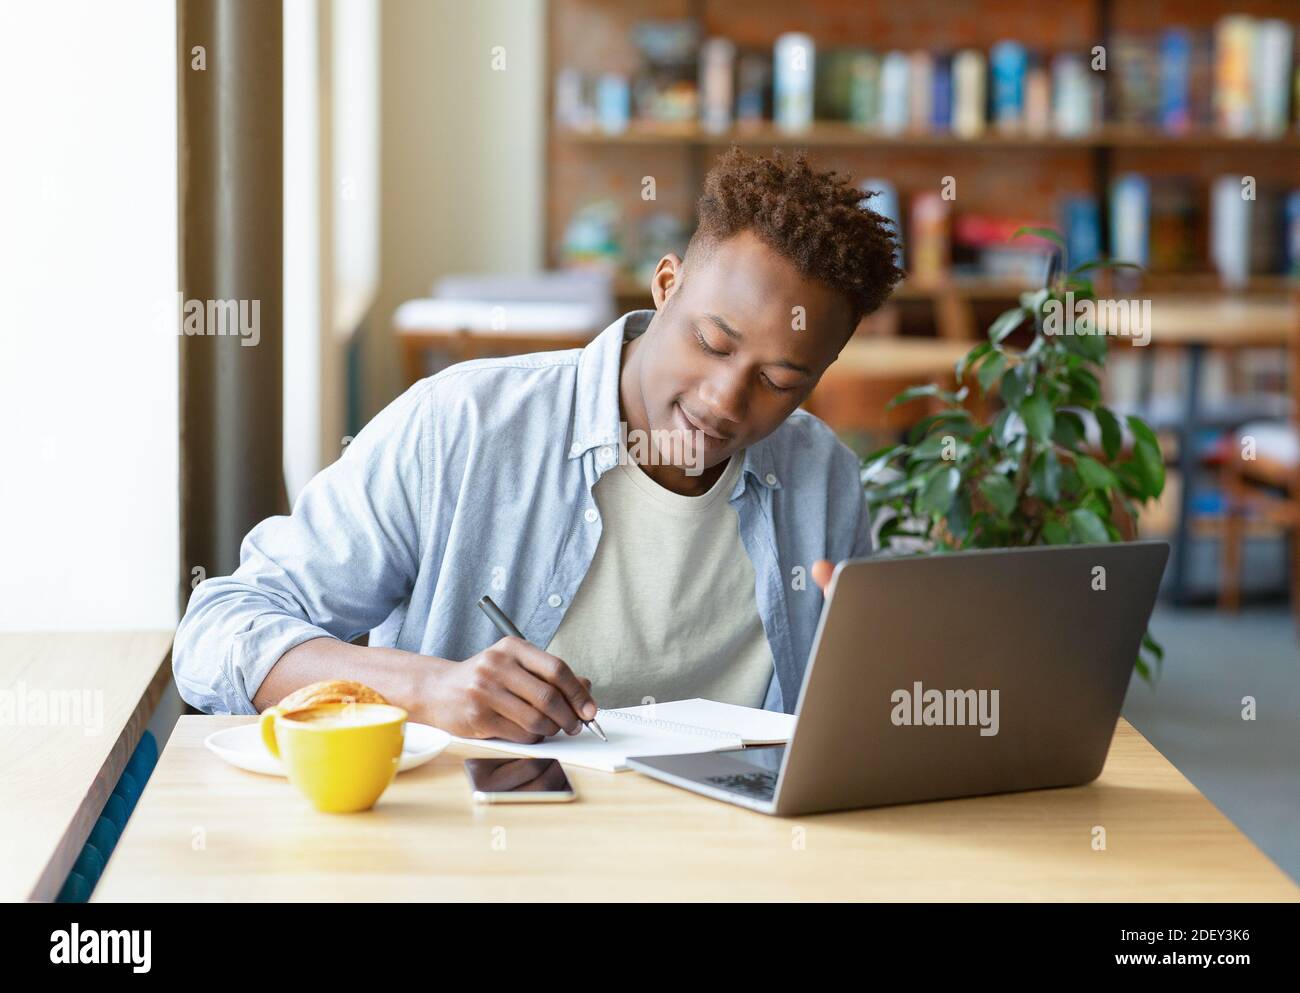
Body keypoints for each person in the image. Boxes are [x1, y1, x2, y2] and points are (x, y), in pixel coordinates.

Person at [173, 147, 904, 742]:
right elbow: (217, 630)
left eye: (778, 379)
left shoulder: (822, 478)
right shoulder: (463, 425)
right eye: (711, 343)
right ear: (666, 285)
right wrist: (429, 688)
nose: (724, 400)